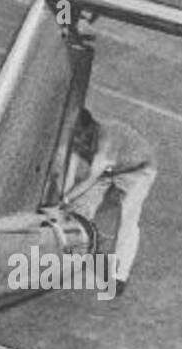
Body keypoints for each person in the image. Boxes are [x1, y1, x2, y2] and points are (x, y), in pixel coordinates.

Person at [61, 108, 157, 296]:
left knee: (127, 220)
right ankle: (74, 256)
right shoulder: (78, 136)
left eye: (78, 135)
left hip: (138, 171)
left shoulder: (107, 141)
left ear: (88, 129)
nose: (76, 140)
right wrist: (63, 199)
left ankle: (119, 277)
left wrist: (64, 199)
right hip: (109, 170)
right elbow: (70, 176)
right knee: (78, 208)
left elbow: (90, 179)